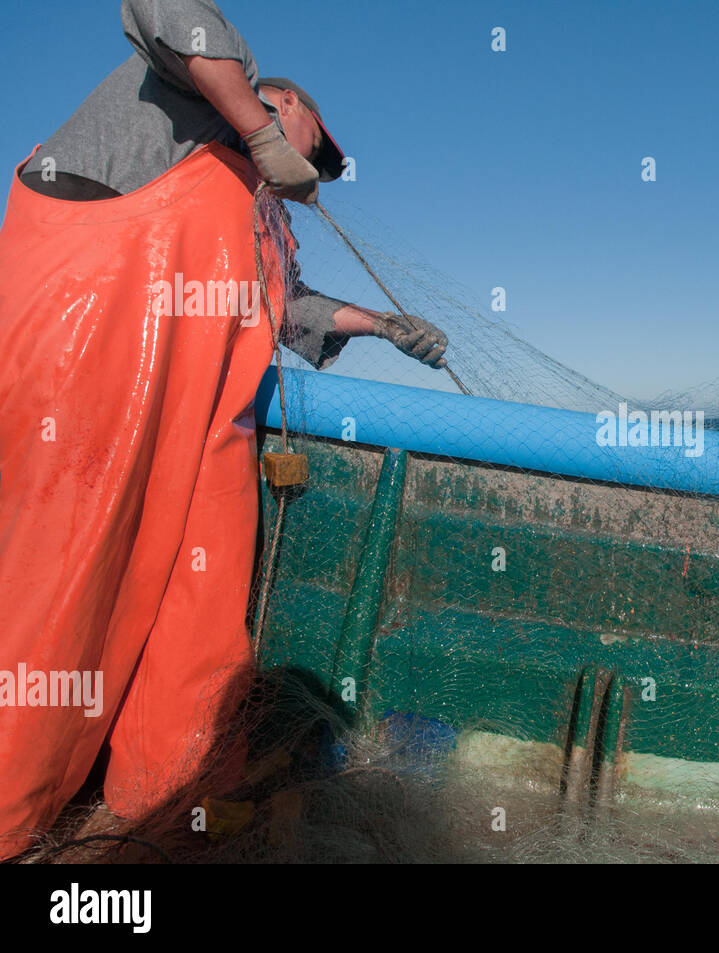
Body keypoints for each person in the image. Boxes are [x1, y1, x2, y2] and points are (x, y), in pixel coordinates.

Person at [0, 0, 448, 858]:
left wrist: (389, 327)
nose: (314, 159)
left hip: (199, 421)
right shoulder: (186, 98)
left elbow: (294, 309)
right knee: (57, 579)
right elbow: (161, 8)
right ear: (280, 97)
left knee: (199, 612)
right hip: (84, 355)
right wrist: (256, 125)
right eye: (313, 139)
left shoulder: (264, 220)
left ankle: (164, 800)